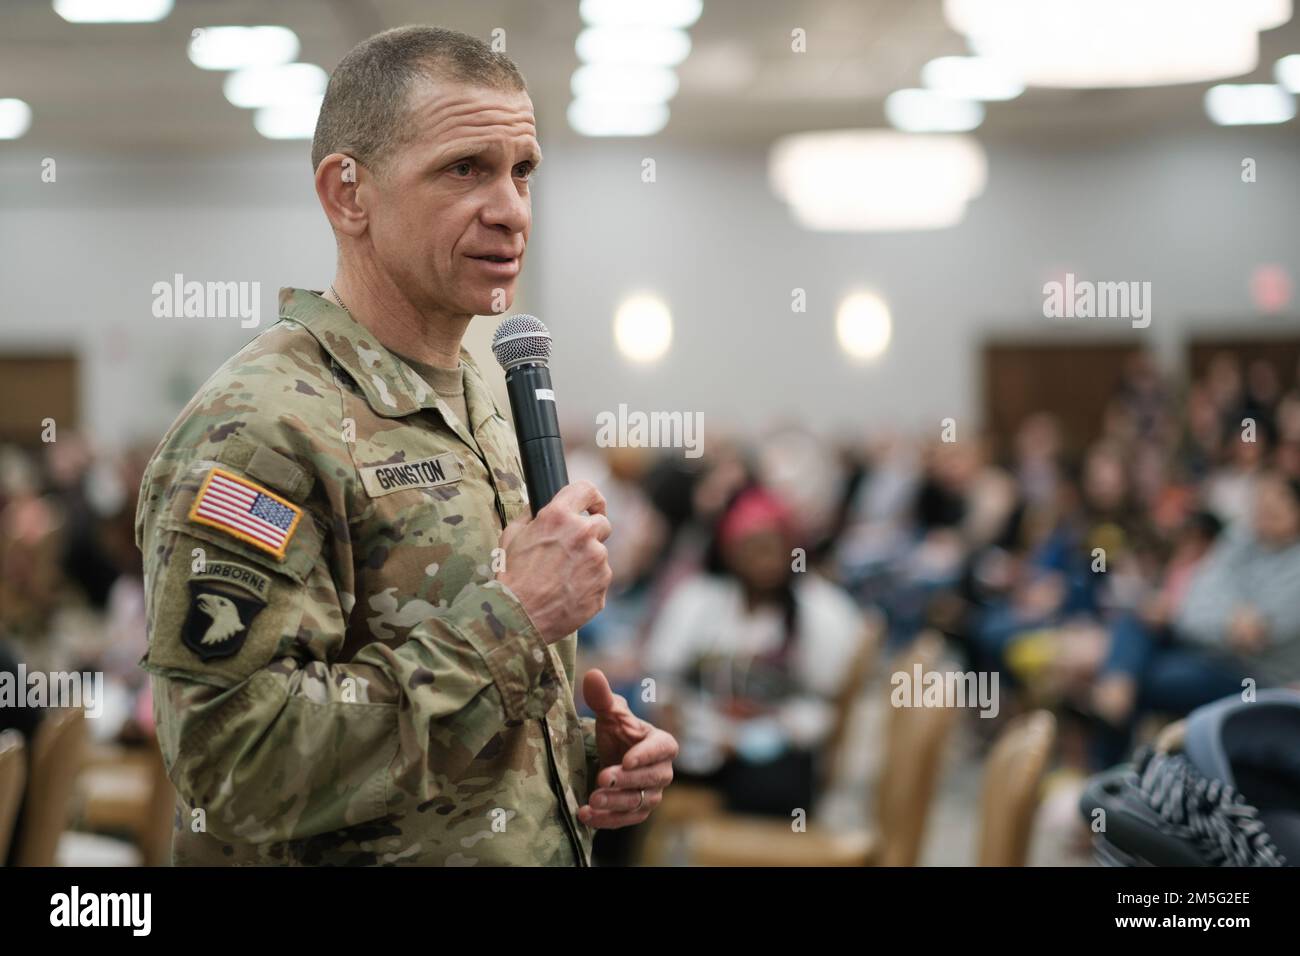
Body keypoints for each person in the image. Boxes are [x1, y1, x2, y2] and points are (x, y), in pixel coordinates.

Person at [135, 26, 676, 866]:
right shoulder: (262, 428)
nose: (511, 208)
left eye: (522, 171)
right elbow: (231, 767)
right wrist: (515, 621)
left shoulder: (480, 397)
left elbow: (441, 722)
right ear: (348, 193)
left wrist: (573, 758)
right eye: (465, 169)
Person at [644, 485, 865, 816]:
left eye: (770, 548)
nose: (762, 560)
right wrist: (668, 712)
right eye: (749, 548)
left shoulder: (823, 611)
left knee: (767, 793)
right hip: (697, 741)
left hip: (776, 751)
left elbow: (826, 704)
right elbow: (661, 675)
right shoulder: (698, 599)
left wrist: (753, 739)